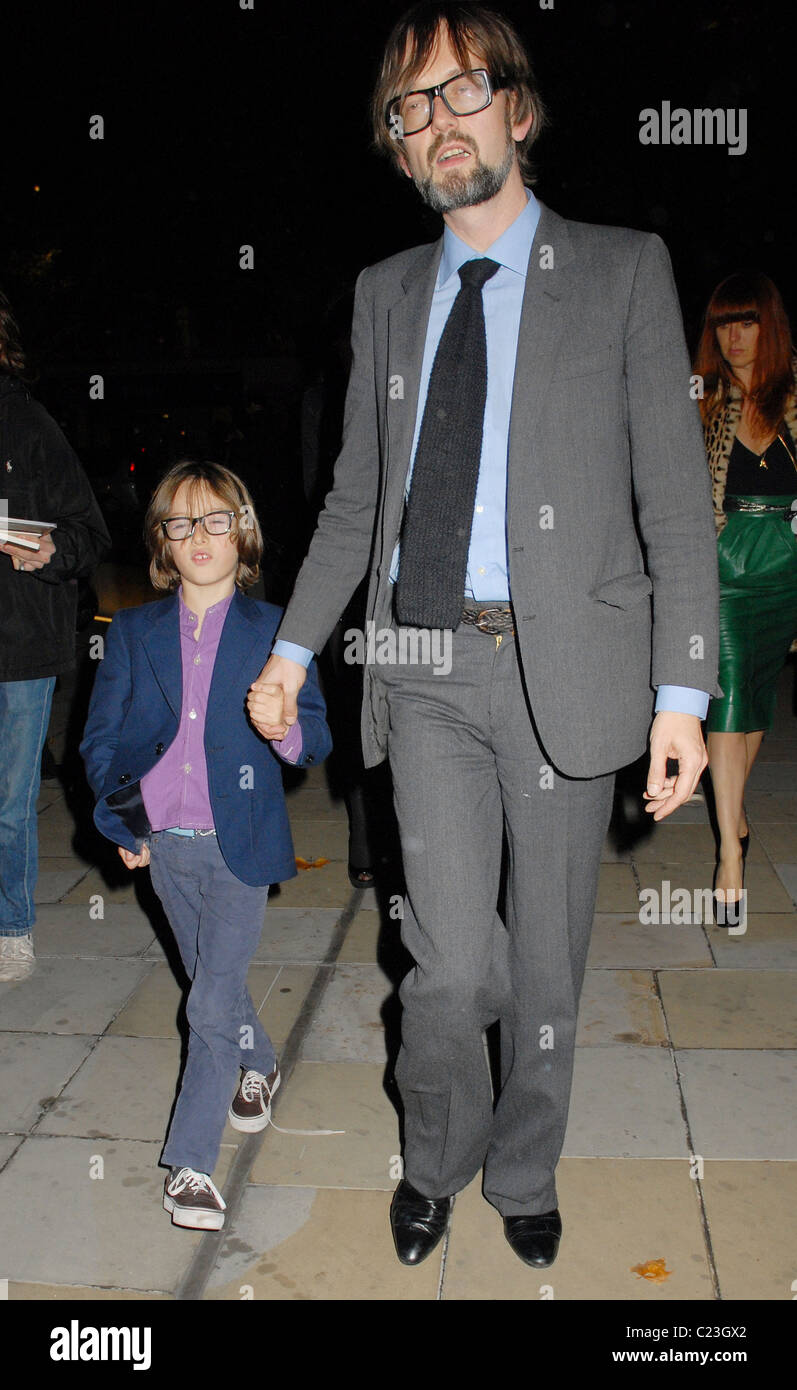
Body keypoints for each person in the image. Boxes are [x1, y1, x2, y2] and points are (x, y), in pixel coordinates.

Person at [247, 1, 720, 1269]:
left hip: (568, 663)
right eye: (411, 107)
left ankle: (522, 1172)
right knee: (450, 970)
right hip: (422, 662)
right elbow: (357, 498)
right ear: (397, 150)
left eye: (463, 92)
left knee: (546, 975)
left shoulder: (621, 268)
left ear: (517, 108)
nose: (439, 122)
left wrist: (684, 692)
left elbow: (675, 500)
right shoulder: (384, 292)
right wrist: (290, 651)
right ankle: (437, 1156)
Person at [80, 461, 331, 1230]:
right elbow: (102, 740)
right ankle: (258, 1062)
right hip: (166, 847)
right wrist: (122, 820)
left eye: (216, 520)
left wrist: (282, 726)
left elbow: (314, 737)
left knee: (210, 1000)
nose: (199, 537)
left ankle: (188, 1165)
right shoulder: (133, 630)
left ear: (242, 533)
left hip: (239, 845)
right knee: (209, 982)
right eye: (180, 523)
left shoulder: (277, 635)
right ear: (161, 540)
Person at [0, 289, 110, 983]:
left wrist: (48, 552)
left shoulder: (29, 425)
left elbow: (88, 533)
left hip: (19, 645)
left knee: (7, 804)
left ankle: (11, 927)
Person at [694, 271, 797, 923]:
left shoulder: (794, 395)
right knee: (724, 700)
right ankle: (728, 852)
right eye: (722, 323)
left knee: (754, 702)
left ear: (769, 325)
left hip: (785, 561)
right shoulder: (700, 398)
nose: (732, 336)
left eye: (746, 321)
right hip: (721, 565)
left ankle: (733, 817)